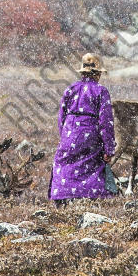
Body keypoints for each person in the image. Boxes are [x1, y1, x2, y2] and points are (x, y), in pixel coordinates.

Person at [49, 53, 116, 204]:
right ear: (97, 74)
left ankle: (62, 196)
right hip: (90, 135)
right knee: (93, 165)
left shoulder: (70, 89)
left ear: (83, 72)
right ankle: (91, 199)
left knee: (64, 163)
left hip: (69, 134)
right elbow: (106, 122)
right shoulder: (101, 91)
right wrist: (108, 149)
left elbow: (61, 117)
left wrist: (66, 137)